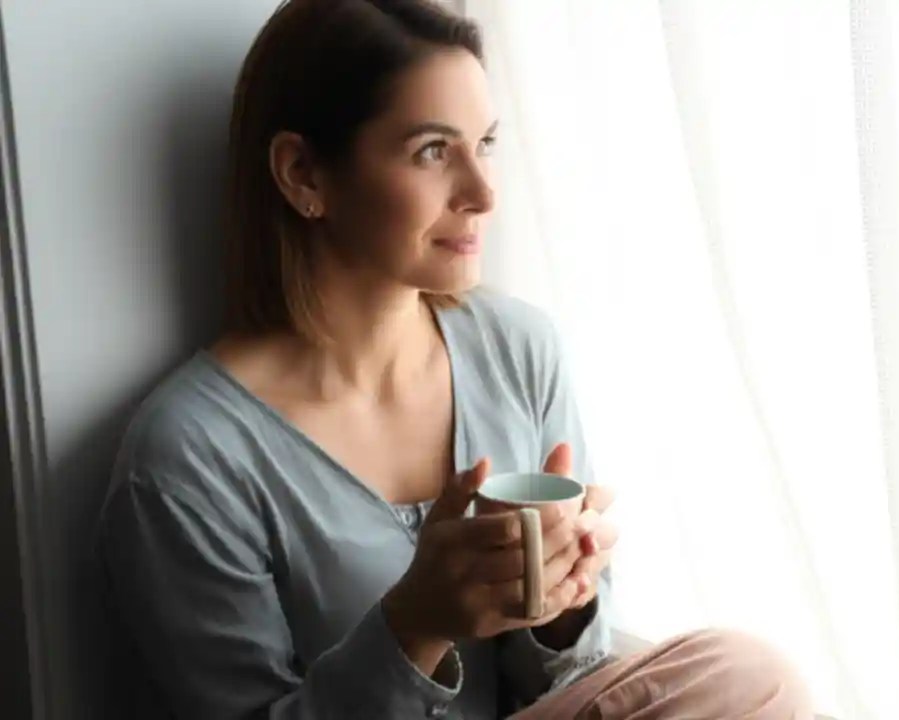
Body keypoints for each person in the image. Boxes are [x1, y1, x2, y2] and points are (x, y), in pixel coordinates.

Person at [96, 0, 813, 717]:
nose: (483, 192)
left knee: (741, 674)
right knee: (748, 675)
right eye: (433, 151)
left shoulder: (518, 349)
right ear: (304, 173)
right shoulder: (188, 457)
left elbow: (570, 680)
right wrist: (415, 623)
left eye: (487, 144)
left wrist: (565, 604)